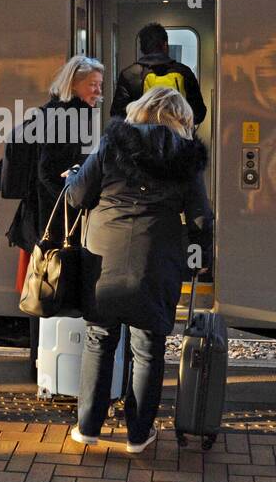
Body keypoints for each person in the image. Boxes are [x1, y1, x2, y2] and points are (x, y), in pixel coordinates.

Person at [63, 86, 213, 453]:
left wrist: (73, 177)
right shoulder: (185, 154)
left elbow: (77, 196)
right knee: (147, 347)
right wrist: (200, 252)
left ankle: (88, 428)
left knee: (100, 340)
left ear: (140, 110)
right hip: (155, 256)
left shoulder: (112, 143)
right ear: (181, 119)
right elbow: (199, 217)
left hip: (103, 254)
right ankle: (138, 435)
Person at [8, 55, 104, 290]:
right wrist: (74, 200)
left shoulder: (60, 113)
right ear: (73, 84)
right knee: (47, 292)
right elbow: (47, 172)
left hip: (40, 220)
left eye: (99, 85)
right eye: (92, 85)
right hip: (51, 223)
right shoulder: (65, 119)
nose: (98, 91)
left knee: (42, 292)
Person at [110, 22, 207, 127]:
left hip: (142, 141)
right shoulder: (184, 72)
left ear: (142, 48)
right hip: (178, 140)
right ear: (165, 45)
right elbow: (199, 113)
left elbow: (117, 115)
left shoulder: (129, 74)